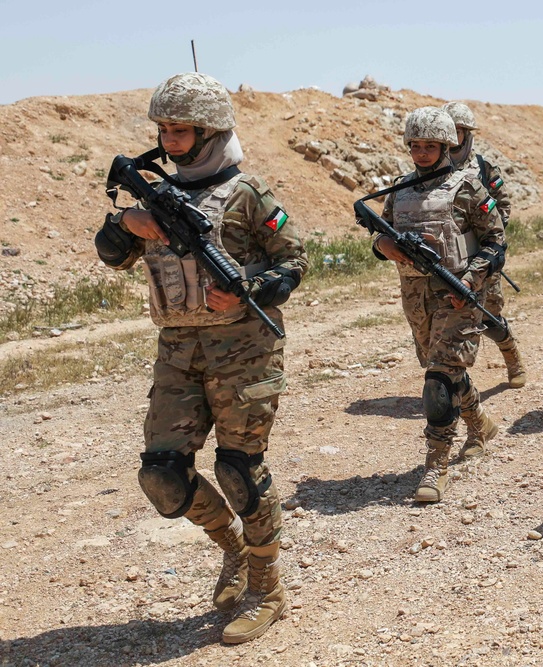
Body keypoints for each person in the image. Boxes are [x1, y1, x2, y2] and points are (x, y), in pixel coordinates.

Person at [94, 72, 308, 643]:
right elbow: (111, 254)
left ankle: (267, 587)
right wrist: (124, 223)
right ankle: (234, 551)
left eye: (180, 131)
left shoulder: (248, 193)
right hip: (176, 351)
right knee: (162, 476)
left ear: (211, 132)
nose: (168, 141)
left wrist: (249, 287)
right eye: (162, 130)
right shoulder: (155, 193)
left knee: (238, 471)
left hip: (245, 352)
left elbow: (294, 262)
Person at [371, 107, 505, 498]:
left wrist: (470, 278)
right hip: (417, 300)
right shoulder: (399, 189)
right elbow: (381, 236)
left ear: (447, 144)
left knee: (437, 382)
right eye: (415, 145)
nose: (422, 153)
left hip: (458, 297)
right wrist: (385, 246)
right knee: (444, 371)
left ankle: (435, 465)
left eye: (430, 145)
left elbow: (496, 241)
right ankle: (479, 422)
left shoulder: (469, 187)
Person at [441, 101, 526, 389]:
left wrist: (488, 236)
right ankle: (453, 383)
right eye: (448, 132)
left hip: (481, 258)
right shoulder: (431, 168)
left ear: (467, 135)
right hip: (448, 260)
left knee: (489, 314)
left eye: (459, 132)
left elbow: (502, 206)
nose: (453, 138)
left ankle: (511, 354)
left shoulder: (482, 167)